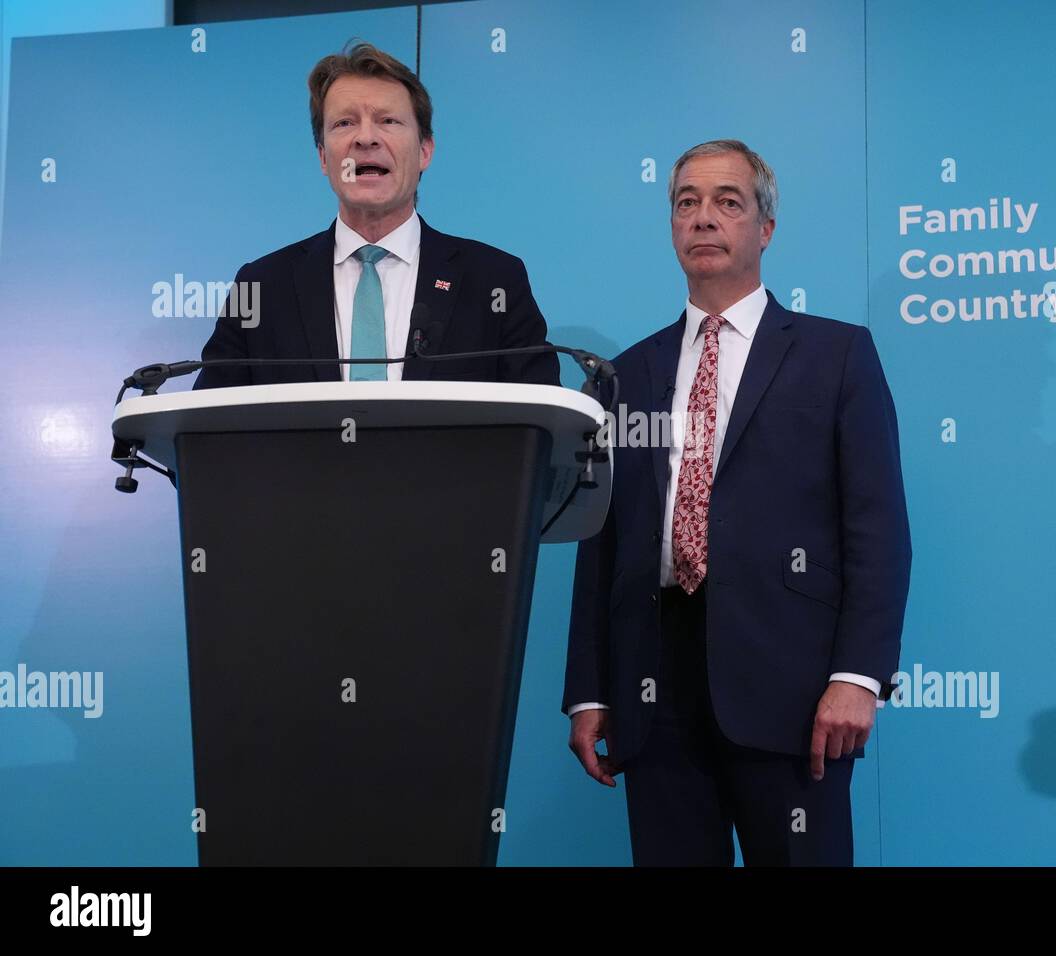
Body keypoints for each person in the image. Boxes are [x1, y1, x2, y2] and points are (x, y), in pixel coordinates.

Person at [563, 140, 912, 866]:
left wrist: (858, 676)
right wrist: (588, 691)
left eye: (728, 202)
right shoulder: (625, 375)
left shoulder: (837, 355)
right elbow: (601, 545)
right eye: (686, 202)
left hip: (792, 690)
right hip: (653, 690)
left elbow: (877, 529)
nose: (703, 218)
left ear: (766, 228)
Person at [194, 40, 559, 389]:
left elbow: (539, 427)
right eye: (344, 123)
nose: (365, 138)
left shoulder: (494, 280)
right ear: (323, 157)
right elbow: (207, 430)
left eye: (388, 121)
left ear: (424, 151)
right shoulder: (260, 286)